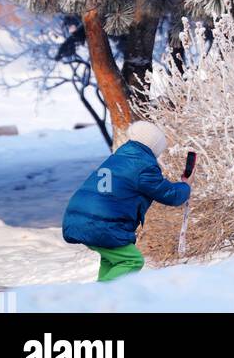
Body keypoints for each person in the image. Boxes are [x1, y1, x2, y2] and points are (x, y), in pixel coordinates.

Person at [62, 119, 191, 281]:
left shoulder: (118, 158)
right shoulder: (143, 166)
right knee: (131, 260)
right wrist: (185, 186)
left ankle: (106, 301)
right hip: (100, 224)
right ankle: (99, 298)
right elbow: (171, 195)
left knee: (112, 261)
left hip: (79, 217)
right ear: (153, 147)